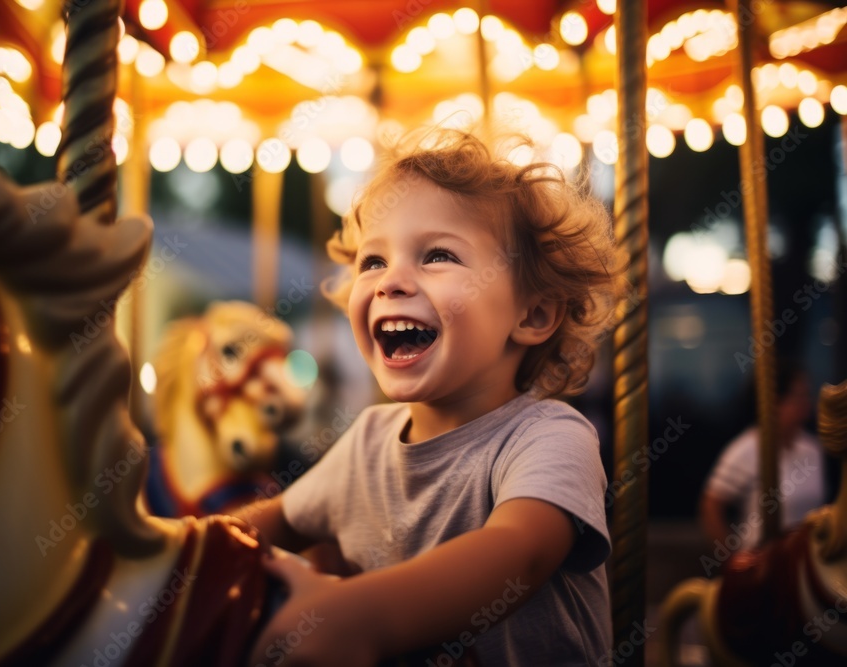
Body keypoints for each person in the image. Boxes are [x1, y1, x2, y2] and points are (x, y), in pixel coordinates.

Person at [234, 129, 628, 666]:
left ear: (532, 315)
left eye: (438, 255)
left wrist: (356, 616)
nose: (390, 280)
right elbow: (276, 520)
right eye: (372, 261)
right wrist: (182, 552)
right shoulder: (369, 441)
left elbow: (521, 552)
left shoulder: (546, 436)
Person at [700, 362, 826, 552]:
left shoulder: (812, 448)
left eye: (807, 394)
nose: (806, 403)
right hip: (762, 561)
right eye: (798, 396)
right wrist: (731, 559)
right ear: (774, 401)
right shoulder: (747, 449)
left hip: (807, 562)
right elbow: (711, 506)